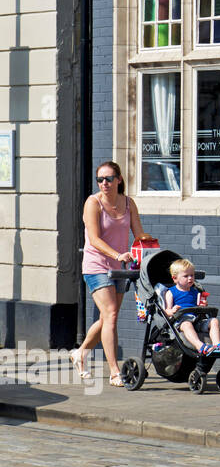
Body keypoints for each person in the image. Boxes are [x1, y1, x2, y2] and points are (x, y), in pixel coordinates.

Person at [77, 161, 154, 387]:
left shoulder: (129, 203)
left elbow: (138, 234)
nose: (104, 184)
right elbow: (94, 239)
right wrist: (118, 254)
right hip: (97, 265)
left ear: (119, 179)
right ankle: (114, 372)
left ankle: (80, 353)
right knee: (110, 314)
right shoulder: (93, 203)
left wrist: (150, 243)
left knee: (107, 318)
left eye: (108, 179)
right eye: (100, 179)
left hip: (119, 267)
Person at [162, 258, 220, 355]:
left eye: (192, 275)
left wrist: (202, 306)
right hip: (181, 321)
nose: (190, 278)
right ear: (175, 278)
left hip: (197, 320)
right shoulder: (171, 292)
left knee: (214, 321)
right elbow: (166, 311)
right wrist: (172, 310)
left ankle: (217, 345)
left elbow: (198, 306)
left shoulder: (195, 291)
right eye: (186, 276)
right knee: (186, 324)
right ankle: (200, 346)